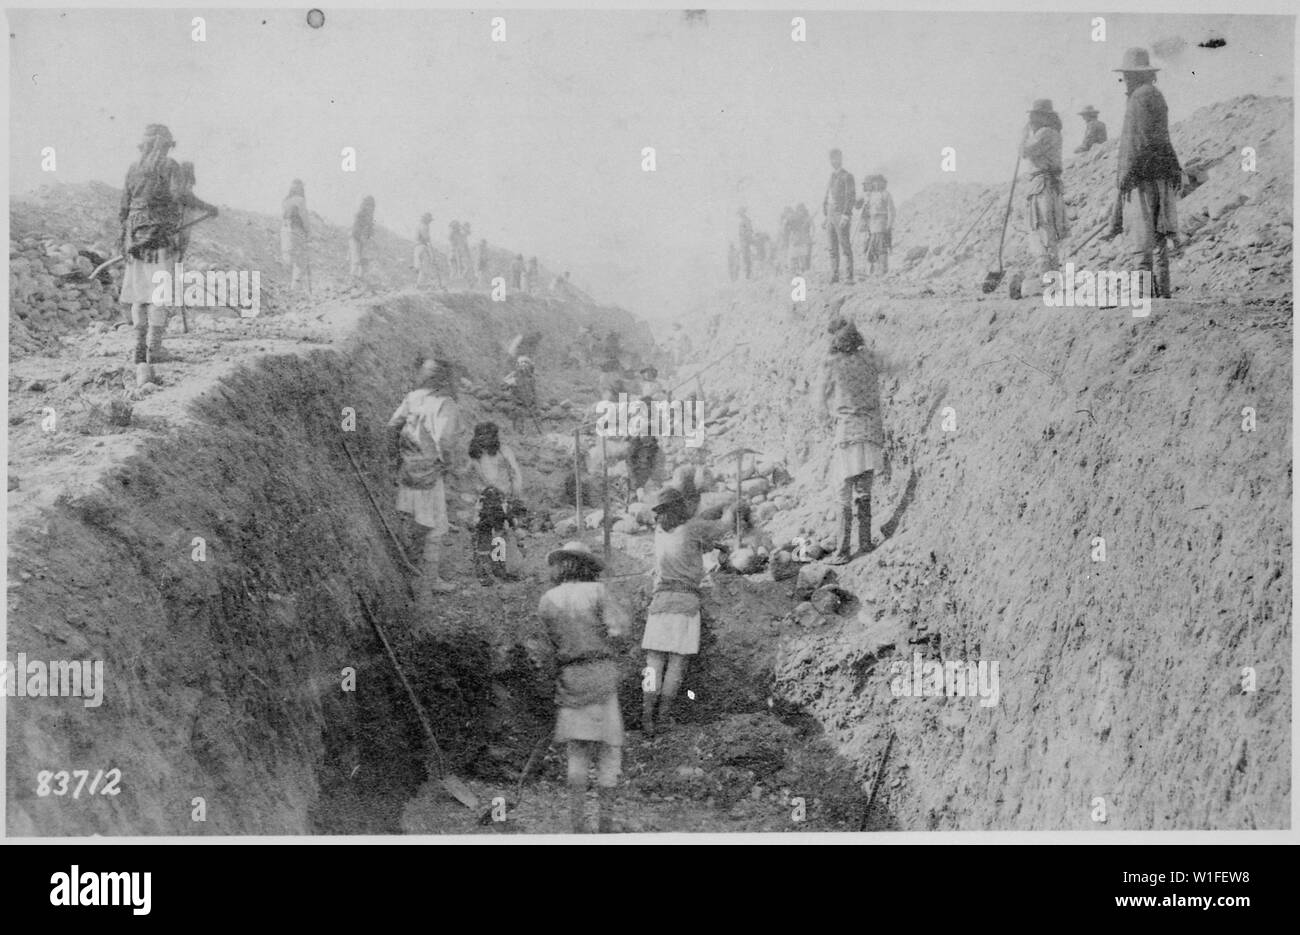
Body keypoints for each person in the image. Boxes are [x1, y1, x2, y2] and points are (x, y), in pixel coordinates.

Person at [537, 541, 630, 833]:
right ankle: (605, 826)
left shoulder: (548, 600)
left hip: (570, 679)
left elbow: (546, 646)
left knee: (577, 754)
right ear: (587, 566)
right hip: (601, 675)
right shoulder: (598, 592)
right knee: (608, 753)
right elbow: (619, 632)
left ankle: (577, 827)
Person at [641, 486, 747, 736]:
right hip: (685, 603)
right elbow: (724, 525)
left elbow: (693, 544)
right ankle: (664, 717)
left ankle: (646, 716)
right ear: (681, 509)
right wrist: (732, 507)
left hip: (659, 603)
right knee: (676, 664)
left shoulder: (660, 532)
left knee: (653, 664)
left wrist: (711, 545)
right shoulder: (691, 528)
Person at [117, 123, 215, 387]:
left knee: (140, 293)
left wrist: (125, 238)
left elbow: (123, 207)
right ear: (165, 145)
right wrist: (208, 207)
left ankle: (139, 347)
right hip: (160, 237)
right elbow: (180, 194)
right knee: (159, 293)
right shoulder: (169, 166)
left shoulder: (133, 169)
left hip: (135, 239)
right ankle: (155, 348)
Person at [1104, 48, 1183, 299]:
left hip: (1141, 178)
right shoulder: (1156, 95)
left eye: (1126, 75)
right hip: (1161, 176)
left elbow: (1136, 143)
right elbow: (1162, 139)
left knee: (1140, 243)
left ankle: (1145, 301)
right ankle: (1164, 299)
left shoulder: (1138, 98)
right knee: (1159, 240)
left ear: (1134, 75)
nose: (1125, 81)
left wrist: (1126, 176)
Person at [386, 357, 464, 596]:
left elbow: (392, 427)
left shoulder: (413, 397)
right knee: (435, 528)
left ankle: (412, 575)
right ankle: (428, 582)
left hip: (408, 471)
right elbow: (444, 440)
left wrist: (395, 459)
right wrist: (449, 465)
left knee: (413, 523)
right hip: (430, 475)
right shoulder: (445, 403)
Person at [817, 316, 884, 564]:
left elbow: (819, 403)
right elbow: (896, 364)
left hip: (847, 433)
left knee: (842, 491)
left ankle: (843, 551)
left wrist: (825, 419)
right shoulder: (870, 358)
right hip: (871, 432)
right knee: (864, 490)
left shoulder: (832, 364)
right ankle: (865, 543)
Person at [1020, 100, 1070, 297]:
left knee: (1040, 231)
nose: (1032, 119)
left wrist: (1023, 134)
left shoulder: (1045, 133)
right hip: (1050, 184)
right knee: (1050, 233)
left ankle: (1048, 283)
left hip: (1042, 186)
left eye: (1035, 115)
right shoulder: (1053, 133)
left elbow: (1024, 151)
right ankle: (1053, 282)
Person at [467, 421, 525, 585]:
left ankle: (499, 567)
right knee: (483, 534)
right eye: (481, 436)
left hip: (501, 500)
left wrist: (516, 494)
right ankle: (483, 570)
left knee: (500, 534)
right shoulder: (474, 455)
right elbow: (466, 475)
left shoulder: (503, 451)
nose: (484, 439)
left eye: (488, 436)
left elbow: (514, 472)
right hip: (482, 500)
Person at [822, 148, 857, 284]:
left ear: (841, 158)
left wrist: (846, 214)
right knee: (832, 248)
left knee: (845, 246)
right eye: (831, 159)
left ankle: (849, 276)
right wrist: (826, 216)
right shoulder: (831, 176)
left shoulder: (847, 176)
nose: (833, 161)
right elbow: (827, 197)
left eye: (836, 158)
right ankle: (834, 275)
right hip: (830, 214)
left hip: (840, 214)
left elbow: (850, 196)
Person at [173, 162, 216, 261]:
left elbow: (190, 197)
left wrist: (207, 207)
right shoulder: (177, 184)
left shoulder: (185, 183)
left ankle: (176, 273)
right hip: (179, 221)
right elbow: (187, 198)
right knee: (177, 250)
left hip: (184, 221)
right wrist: (207, 207)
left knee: (180, 251)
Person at [860, 175, 897, 276]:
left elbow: (891, 211)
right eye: (875, 182)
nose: (876, 184)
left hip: (881, 222)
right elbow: (865, 209)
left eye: (879, 182)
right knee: (871, 246)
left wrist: (889, 225)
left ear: (883, 183)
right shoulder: (870, 195)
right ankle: (872, 271)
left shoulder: (886, 194)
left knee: (881, 246)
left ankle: (883, 269)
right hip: (871, 224)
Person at [281, 179, 311, 296]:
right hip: (296, 231)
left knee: (288, 259)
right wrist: (308, 232)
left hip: (284, 231)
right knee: (300, 261)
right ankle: (295, 290)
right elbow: (304, 218)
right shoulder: (300, 200)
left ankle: (288, 289)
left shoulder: (285, 201)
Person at [502, 355, 538, 432]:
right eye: (521, 363)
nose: (523, 365)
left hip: (528, 404)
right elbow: (503, 385)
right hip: (516, 403)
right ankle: (516, 431)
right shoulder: (515, 375)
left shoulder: (531, 378)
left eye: (525, 363)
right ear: (517, 365)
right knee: (517, 416)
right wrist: (511, 382)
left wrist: (534, 402)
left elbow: (533, 392)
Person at [349, 195, 375, 285]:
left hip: (362, 240)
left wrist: (367, 237)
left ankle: (360, 278)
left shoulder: (370, 217)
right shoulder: (360, 214)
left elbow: (370, 230)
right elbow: (355, 229)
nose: (370, 207)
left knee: (363, 259)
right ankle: (353, 279)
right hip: (355, 239)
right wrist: (361, 237)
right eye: (369, 205)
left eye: (372, 206)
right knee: (356, 259)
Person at [413, 212, 442, 289]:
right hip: (422, 247)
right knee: (425, 268)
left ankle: (420, 284)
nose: (430, 222)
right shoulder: (425, 227)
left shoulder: (418, 226)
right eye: (429, 220)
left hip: (417, 248)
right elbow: (427, 240)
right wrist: (432, 254)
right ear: (426, 220)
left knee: (422, 268)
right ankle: (420, 285)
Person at [737, 208, 754, 280]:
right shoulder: (742, 221)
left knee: (747, 258)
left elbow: (749, 231)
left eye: (741, 213)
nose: (740, 215)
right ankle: (747, 274)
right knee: (745, 258)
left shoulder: (746, 221)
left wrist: (746, 239)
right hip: (743, 241)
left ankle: (748, 274)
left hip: (746, 242)